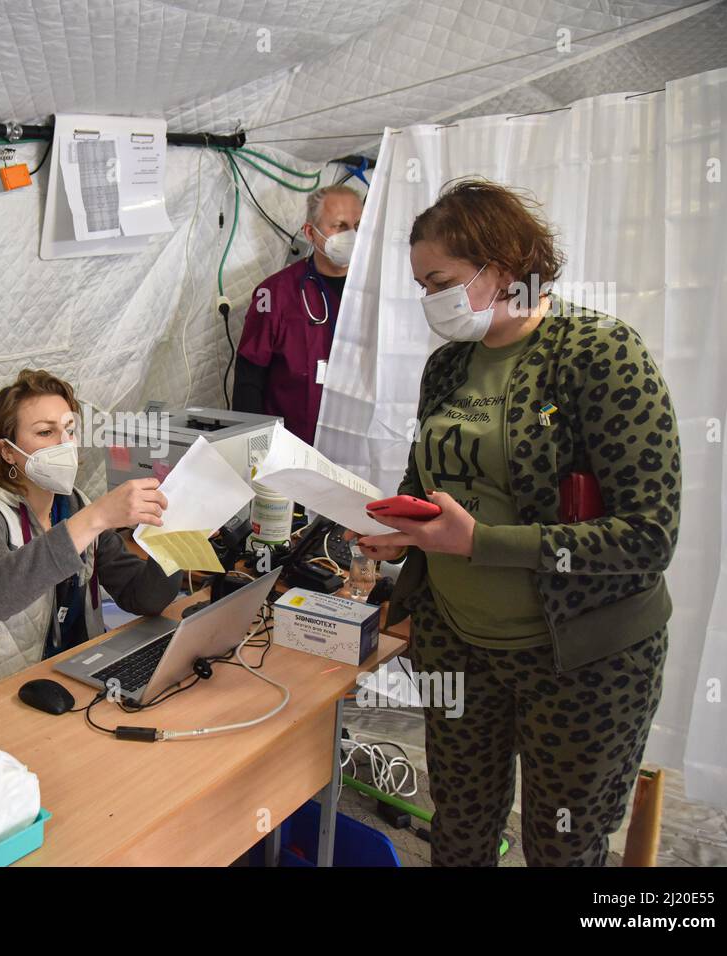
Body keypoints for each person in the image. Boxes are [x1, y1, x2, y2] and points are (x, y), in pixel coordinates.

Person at [351, 178, 680, 866]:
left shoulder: (600, 355)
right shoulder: (448, 368)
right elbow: (429, 487)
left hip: (579, 662)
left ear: (501, 266)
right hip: (461, 651)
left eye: (438, 280)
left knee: (562, 847)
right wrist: (398, 529)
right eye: (420, 283)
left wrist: (482, 544)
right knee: (461, 833)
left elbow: (649, 537)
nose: (428, 300)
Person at [0, 369, 183, 712]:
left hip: (72, 685)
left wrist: (174, 541)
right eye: (46, 432)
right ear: (7, 451)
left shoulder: (74, 505)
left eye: (70, 430)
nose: (64, 444)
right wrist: (96, 518)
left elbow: (141, 597)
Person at [233, 184, 363, 443]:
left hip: (355, 442)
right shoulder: (275, 293)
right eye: (339, 225)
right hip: (293, 443)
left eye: (358, 226)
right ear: (310, 233)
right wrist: (253, 447)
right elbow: (249, 379)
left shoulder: (375, 292)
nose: (351, 235)